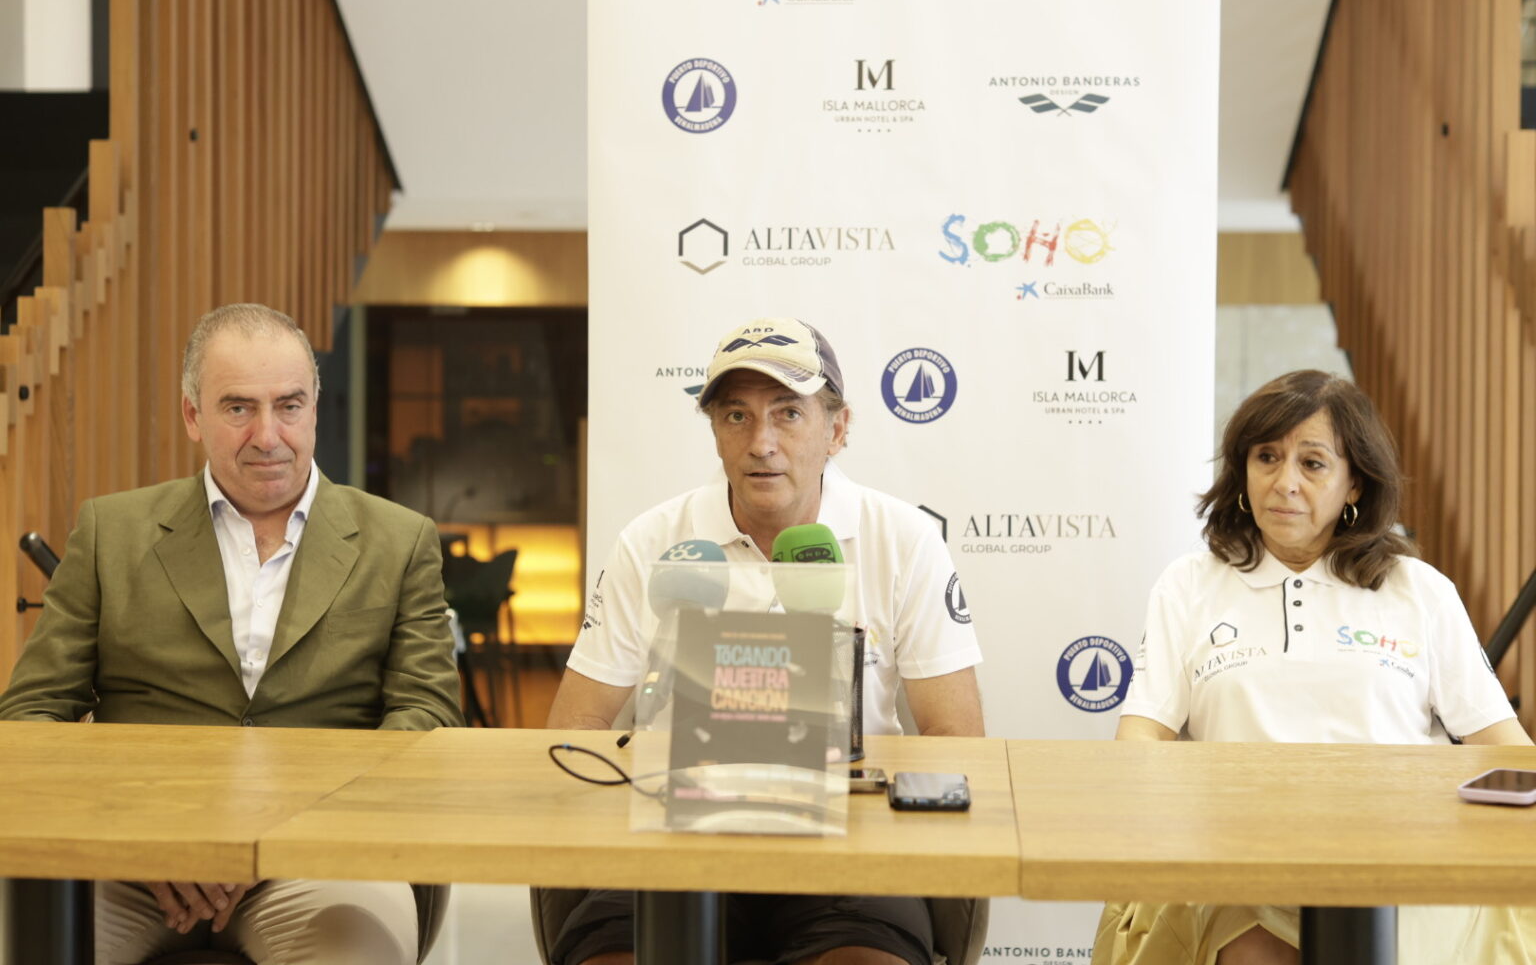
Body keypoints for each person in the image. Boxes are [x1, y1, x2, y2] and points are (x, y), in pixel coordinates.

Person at [0, 303, 464, 965]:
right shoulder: (110, 533)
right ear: (193, 415)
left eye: (289, 406)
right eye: (239, 408)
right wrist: (137, 837)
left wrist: (277, 835)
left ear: (314, 409)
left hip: (317, 855)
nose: (268, 435)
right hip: (129, 863)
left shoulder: (400, 540)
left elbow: (427, 722)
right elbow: (29, 717)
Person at [545, 316, 985, 965]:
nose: (761, 443)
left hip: (850, 847)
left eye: (788, 413)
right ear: (715, 432)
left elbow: (956, 736)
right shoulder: (652, 541)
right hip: (673, 845)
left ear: (837, 429)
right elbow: (575, 725)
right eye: (736, 416)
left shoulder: (903, 539)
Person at [1093, 369, 1534, 965]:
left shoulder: (1418, 589)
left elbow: (1504, 750)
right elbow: (1141, 740)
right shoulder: (1189, 584)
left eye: (1313, 463)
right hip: (1232, 857)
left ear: (1354, 485)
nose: (1285, 483)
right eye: (1267, 457)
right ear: (1243, 472)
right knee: (1250, 948)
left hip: (1403, 859)